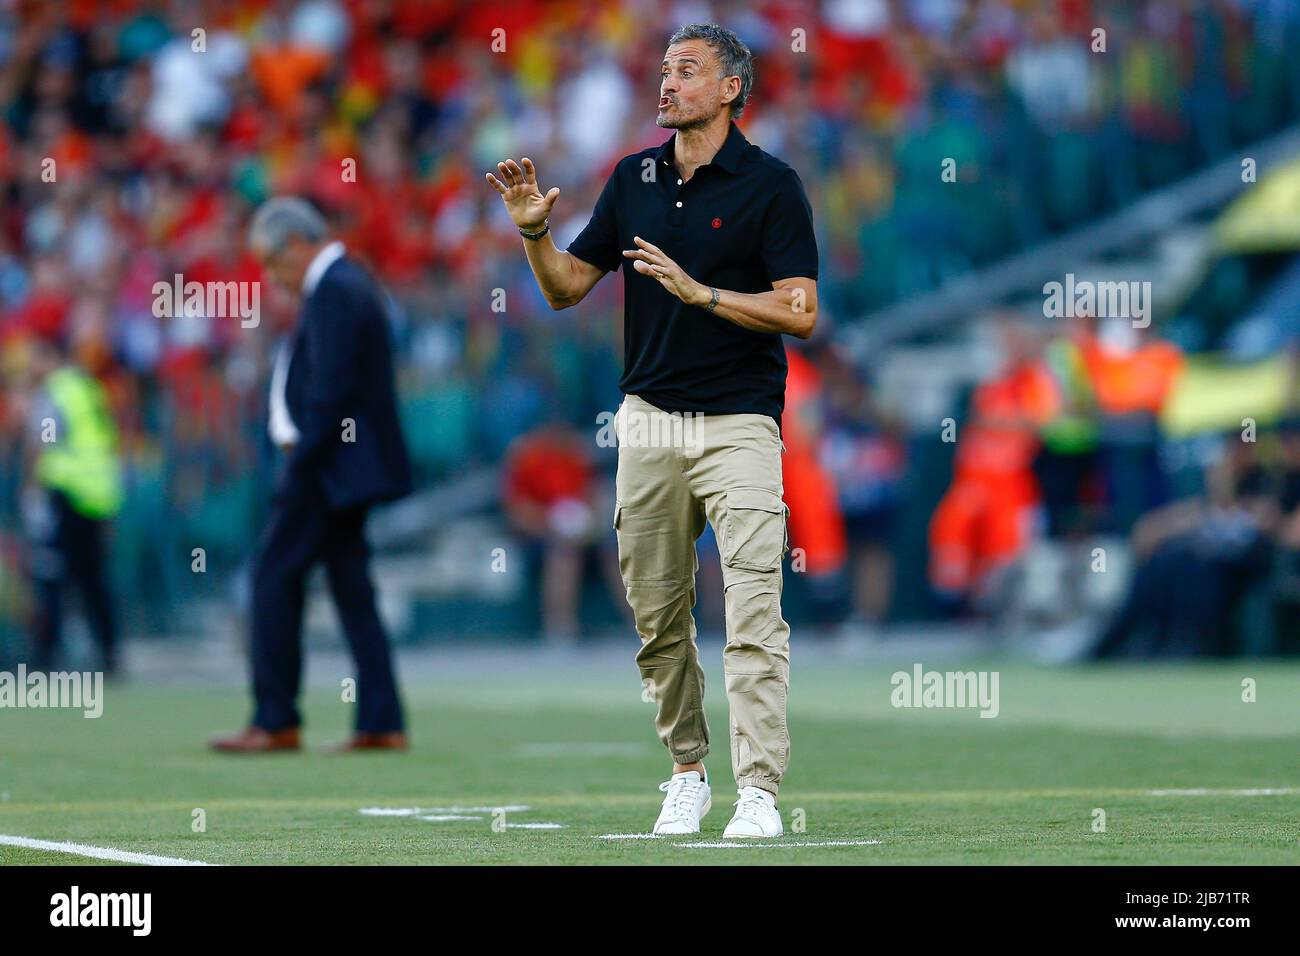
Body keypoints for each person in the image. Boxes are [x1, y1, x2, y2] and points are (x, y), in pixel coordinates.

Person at [487, 23, 818, 837]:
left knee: (752, 608)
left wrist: (703, 294)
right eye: (665, 69)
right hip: (649, 424)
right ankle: (687, 772)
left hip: (741, 422)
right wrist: (535, 232)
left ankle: (761, 792)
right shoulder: (631, 177)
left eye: (687, 70)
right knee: (658, 615)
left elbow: (801, 311)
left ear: (731, 88)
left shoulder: (772, 184)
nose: (667, 83)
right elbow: (567, 289)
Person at [209, 198, 413, 753]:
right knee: (351, 589)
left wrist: (299, 467)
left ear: (297, 244)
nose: (274, 279)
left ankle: (276, 719)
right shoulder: (347, 284)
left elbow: (329, 396)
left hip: (325, 470)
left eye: (274, 264)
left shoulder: (335, 289)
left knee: (272, 579)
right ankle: (380, 720)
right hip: (339, 470)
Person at [22, 333, 122, 674]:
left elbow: (44, 442)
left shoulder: (55, 392)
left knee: (51, 575)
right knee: (93, 579)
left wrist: (32, 488)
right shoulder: (88, 389)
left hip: (64, 493)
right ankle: (109, 653)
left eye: (36, 357)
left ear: (50, 356)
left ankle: (46, 658)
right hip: (98, 495)